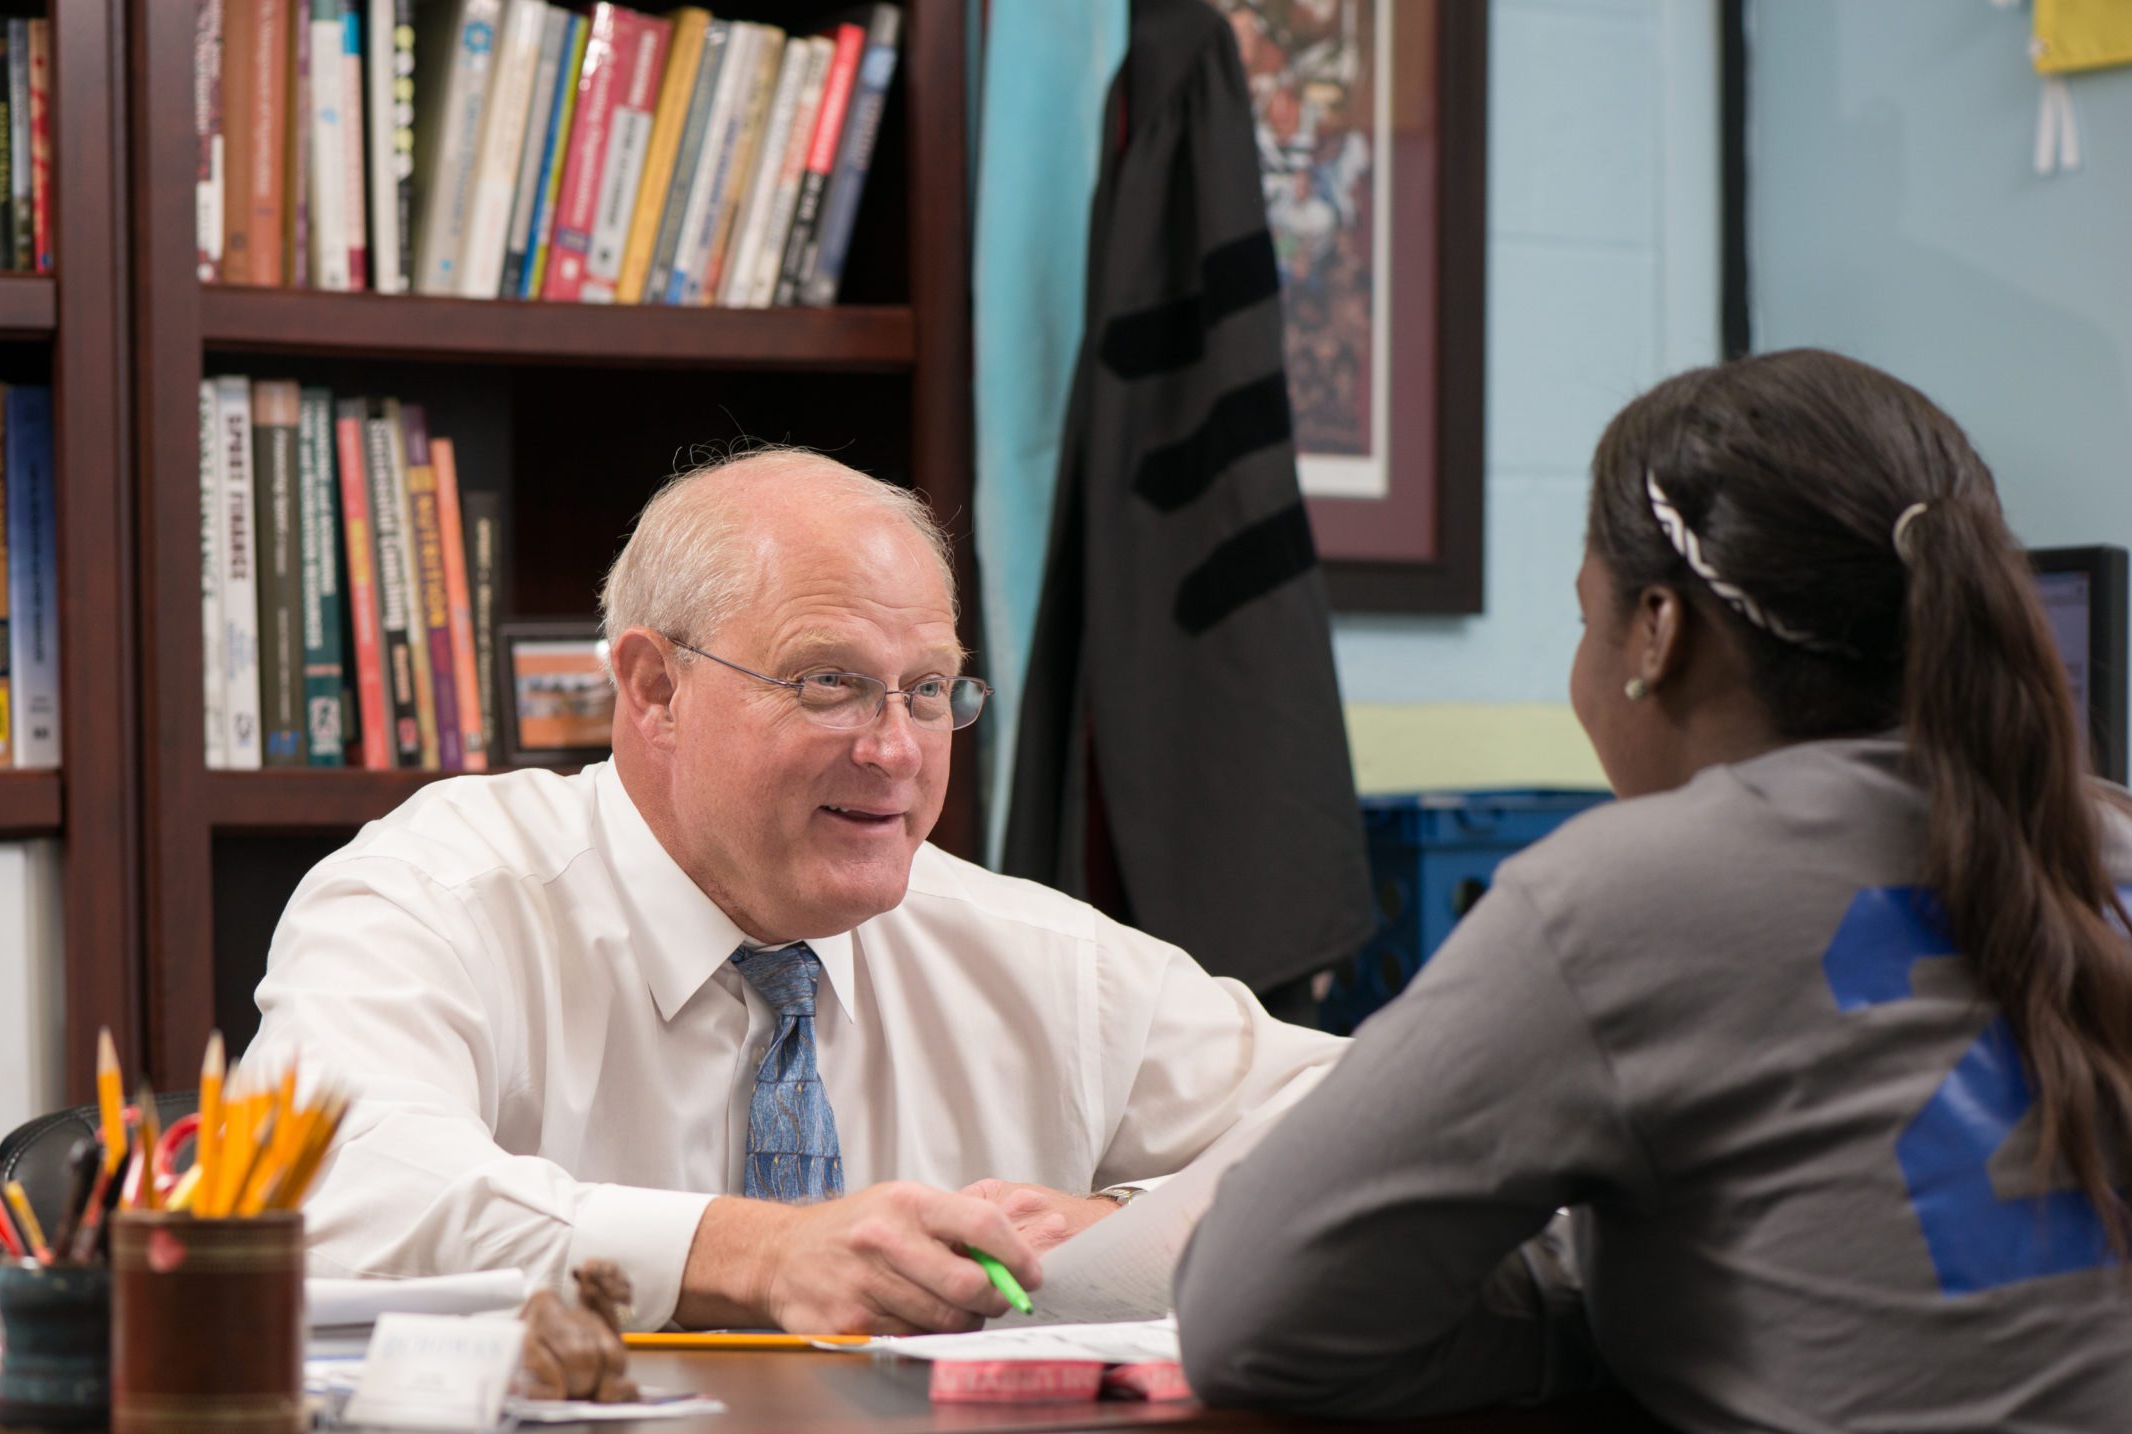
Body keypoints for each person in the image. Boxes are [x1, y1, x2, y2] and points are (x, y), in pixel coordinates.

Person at [1176, 350, 2132, 1434]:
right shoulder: (2105, 844)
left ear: (1654, 634)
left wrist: (1614, 1307)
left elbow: (1252, 1320)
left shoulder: (1627, 895)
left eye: (1585, 617)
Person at [246, 447, 1344, 1335]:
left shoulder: (1036, 958)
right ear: (655, 688)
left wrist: (1122, 1223)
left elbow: (1357, 1116)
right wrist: (759, 1254)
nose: (895, 750)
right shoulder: (435, 898)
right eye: (831, 682)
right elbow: (331, 1187)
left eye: (928, 690)